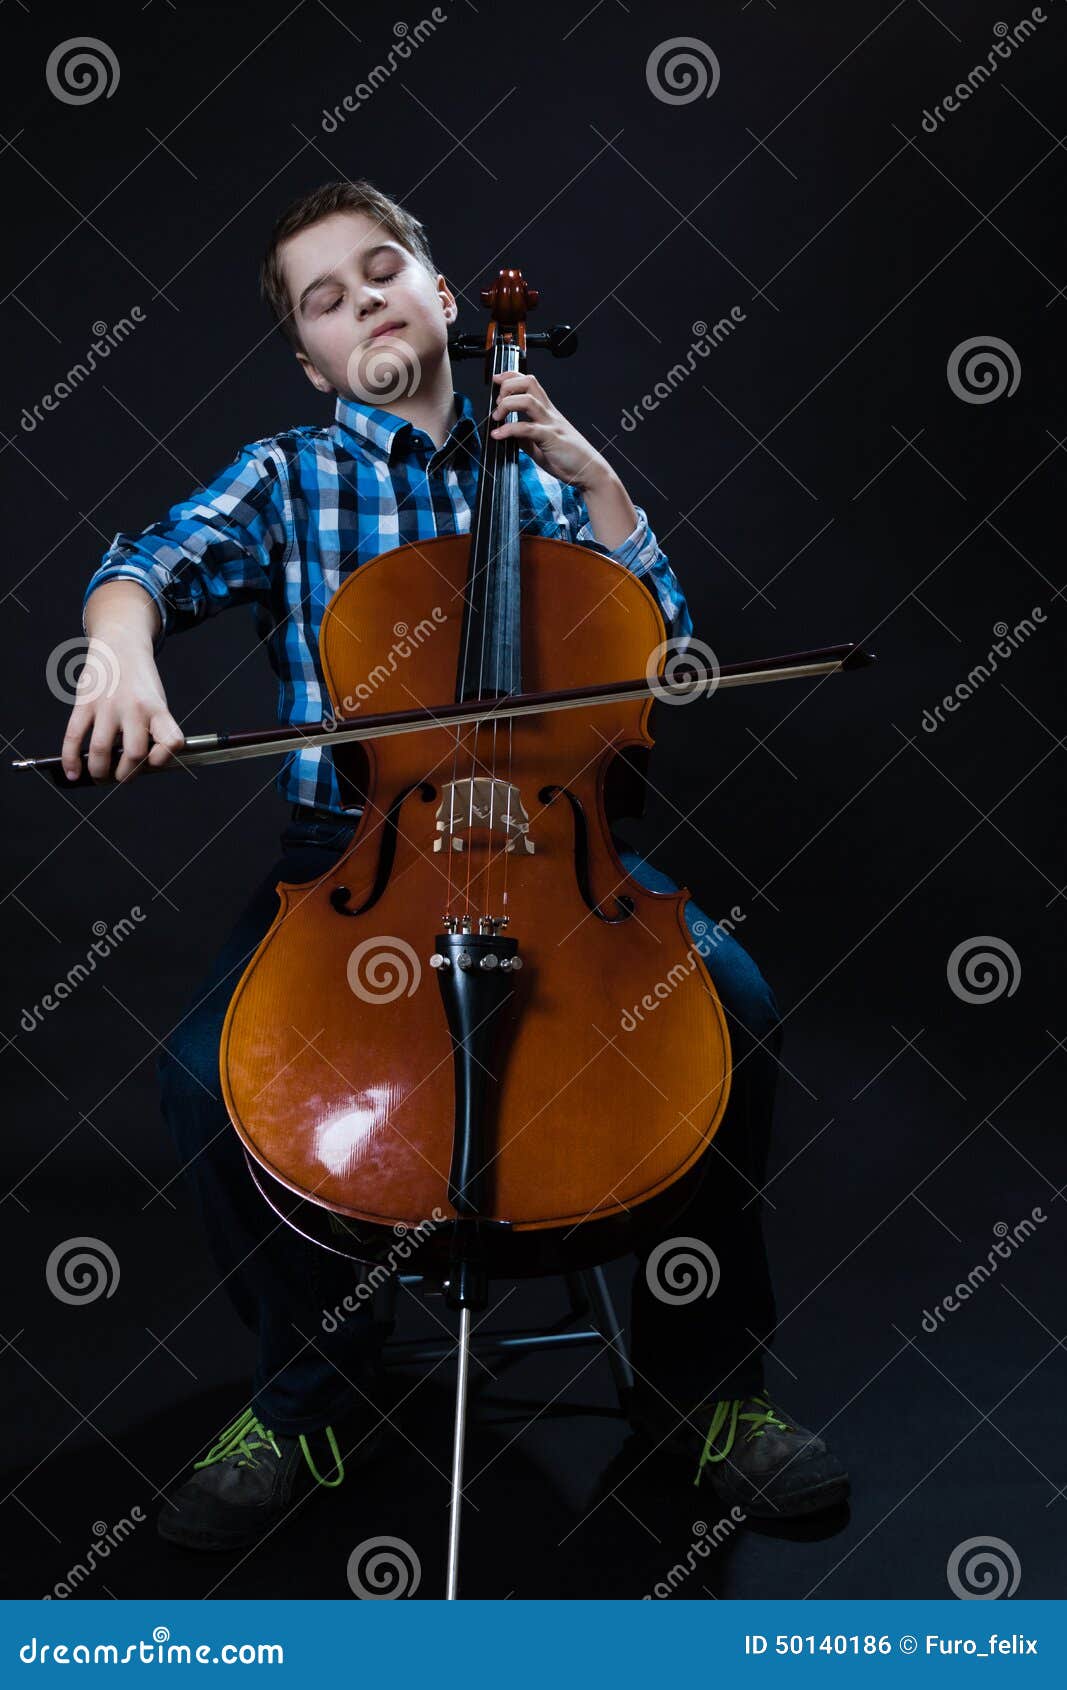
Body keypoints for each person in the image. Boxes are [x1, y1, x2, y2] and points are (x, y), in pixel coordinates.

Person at [66, 179, 849, 1554]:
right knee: (202, 1075)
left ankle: (706, 1393)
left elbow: (665, 661)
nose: (362, 300)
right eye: (325, 299)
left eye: (383, 271)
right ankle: (308, 1392)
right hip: (355, 855)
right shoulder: (289, 474)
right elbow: (148, 564)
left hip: (560, 843)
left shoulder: (547, 474)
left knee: (736, 1008)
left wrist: (600, 482)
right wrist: (121, 656)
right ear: (312, 360)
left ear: (441, 296)